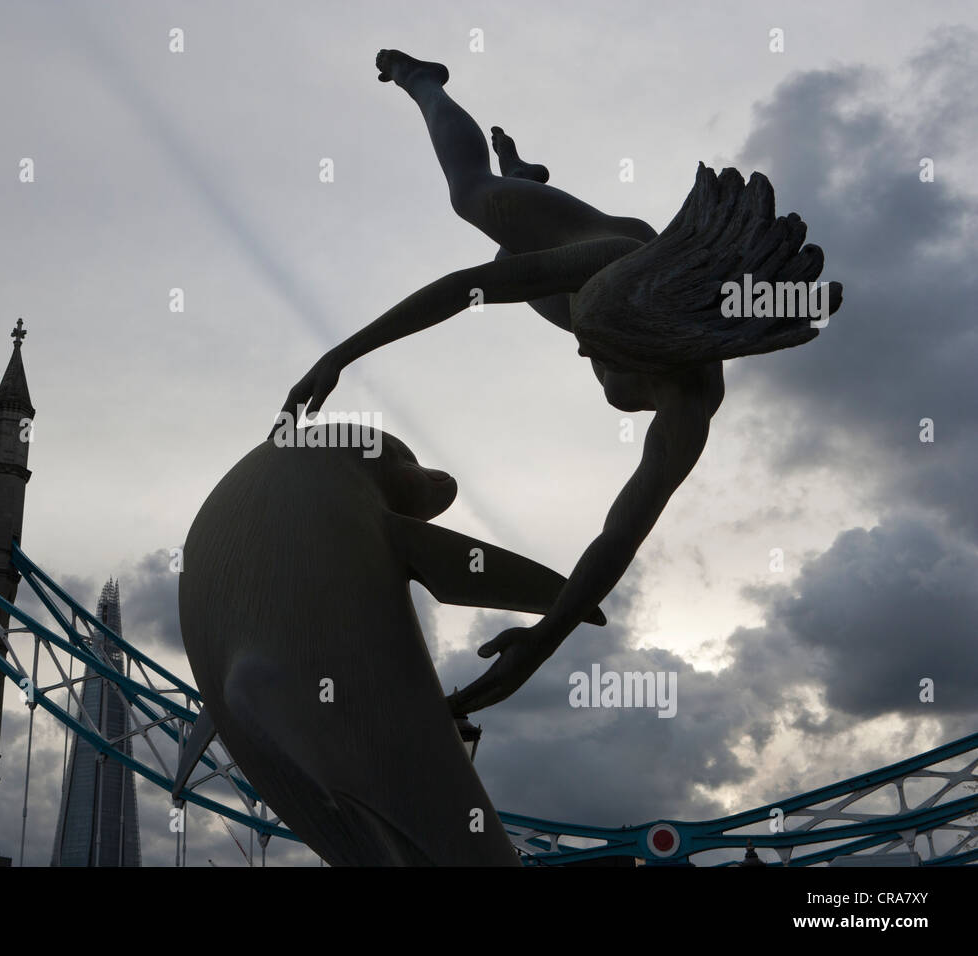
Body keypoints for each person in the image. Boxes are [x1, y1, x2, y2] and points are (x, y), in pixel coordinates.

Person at [277, 50, 841, 715]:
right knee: (472, 196)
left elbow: (620, 534)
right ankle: (423, 80)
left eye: (601, 354)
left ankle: (525, 181)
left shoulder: (688, 405)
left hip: (597, 270)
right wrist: (341, 355)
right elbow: (467, 290)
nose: (582, 358)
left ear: (658, 360)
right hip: (597, 244)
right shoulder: (607, 262)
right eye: (590, 346)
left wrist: (543, 640)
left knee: (531, 275)